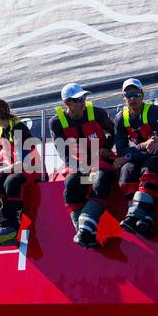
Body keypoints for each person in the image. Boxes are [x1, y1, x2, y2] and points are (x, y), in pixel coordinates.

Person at [51, 83, 117, 249]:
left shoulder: (97, 112)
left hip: (100, 159)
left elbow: (116, 132)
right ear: (67, 103)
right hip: (77, 162)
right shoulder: (56, 122)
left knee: (101, 180)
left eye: (84, 97)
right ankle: (86, 234)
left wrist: (107, 148)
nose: (83, 101)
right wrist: (78, 166)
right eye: (78, 99)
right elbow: (62, 150)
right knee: (72, 185)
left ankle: (85, 228)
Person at [112, 77, 158, 239]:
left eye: (136, 94)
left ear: (143, 95)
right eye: (128, 95)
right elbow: (123, 151)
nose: (132, 98)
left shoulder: (154, 112)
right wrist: (142, 146)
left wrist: (134, 152)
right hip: (139, 155)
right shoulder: (119, 118)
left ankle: (135, 215)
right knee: (126, 172)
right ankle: (145, 218)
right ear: (123, 97)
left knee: (148, 170)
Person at [0, 97, 41, 246]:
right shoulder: (3, 130)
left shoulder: (19, 129)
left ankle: (14, 229)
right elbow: (6, 153)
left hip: (31, 169)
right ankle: (3, 226)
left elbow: (23, 164)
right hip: (15, 168)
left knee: (11, 182)